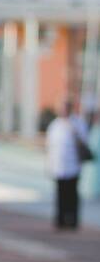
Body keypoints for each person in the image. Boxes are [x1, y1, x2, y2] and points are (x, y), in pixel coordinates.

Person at [46, 97, 91, 228]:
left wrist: (74, 132)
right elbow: (50, 147)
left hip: (73, 165)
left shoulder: (77, 123)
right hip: (59, 165)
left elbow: (84, 142)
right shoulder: (55, 125)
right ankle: (60, 220)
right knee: (60, 194)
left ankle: (72, 220)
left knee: (72, 194)